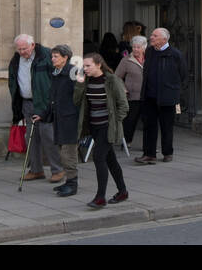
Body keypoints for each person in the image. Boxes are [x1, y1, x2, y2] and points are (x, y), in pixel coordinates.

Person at [74, 53, 130, 208]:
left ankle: (100, 197)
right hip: (94, 126)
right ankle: (123, 191)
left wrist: (114, 122)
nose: (85, 69)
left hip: (107, 126)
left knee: (99, 158)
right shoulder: (87, 81)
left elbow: (123, 106)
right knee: (110, 159)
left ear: (99, 65)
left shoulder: (112, 80)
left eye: (88, 65)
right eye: (83, 66)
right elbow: (76, 101)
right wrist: (79, 84)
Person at [8, 34, 63, 183]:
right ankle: (36, 170)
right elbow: (13, 80)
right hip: (26, 102)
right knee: (31, 138)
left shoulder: (46, 55)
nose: (22, 52)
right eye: (19, 49)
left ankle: (57, 170)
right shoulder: (16, 59)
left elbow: (58, 76)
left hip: (44, 102)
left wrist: (53, 100)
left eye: (24, 48)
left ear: (32, 45)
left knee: (48, 135)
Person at [136, 27, 189, 164]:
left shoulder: (175, 54)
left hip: (167, 97)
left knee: (166, 126)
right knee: (149, 126)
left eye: (155, 35)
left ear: (164, 39)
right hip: (149, 96)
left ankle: (167, 152)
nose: (151, 37)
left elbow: (184, 76)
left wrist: (176, 93)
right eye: (152, 35)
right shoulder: (149, 51)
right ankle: (149, 154)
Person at [34, 44, 80, 196]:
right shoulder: (56, 72)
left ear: (65, 57)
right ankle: (68, 181)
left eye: (56, 56)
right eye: (52, 56)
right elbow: (52, 98)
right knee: (62, 152)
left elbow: (80, 95)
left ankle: (73, 184)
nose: (52, 59)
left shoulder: (73, 71)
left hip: (70, 119)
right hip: (59, 118)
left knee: (68, 153)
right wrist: (43, 114)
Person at [114, 35, 145, 147]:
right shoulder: (126, 60)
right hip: (132, 96)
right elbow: (116, 77)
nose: (136, 49)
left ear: (144, 48)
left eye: (138, 47)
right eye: (134, 47)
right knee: (130, 121)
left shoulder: (150, 59)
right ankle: (127, 141)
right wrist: (123, 89)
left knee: (149, 122)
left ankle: (148, 146)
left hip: (148, 95)